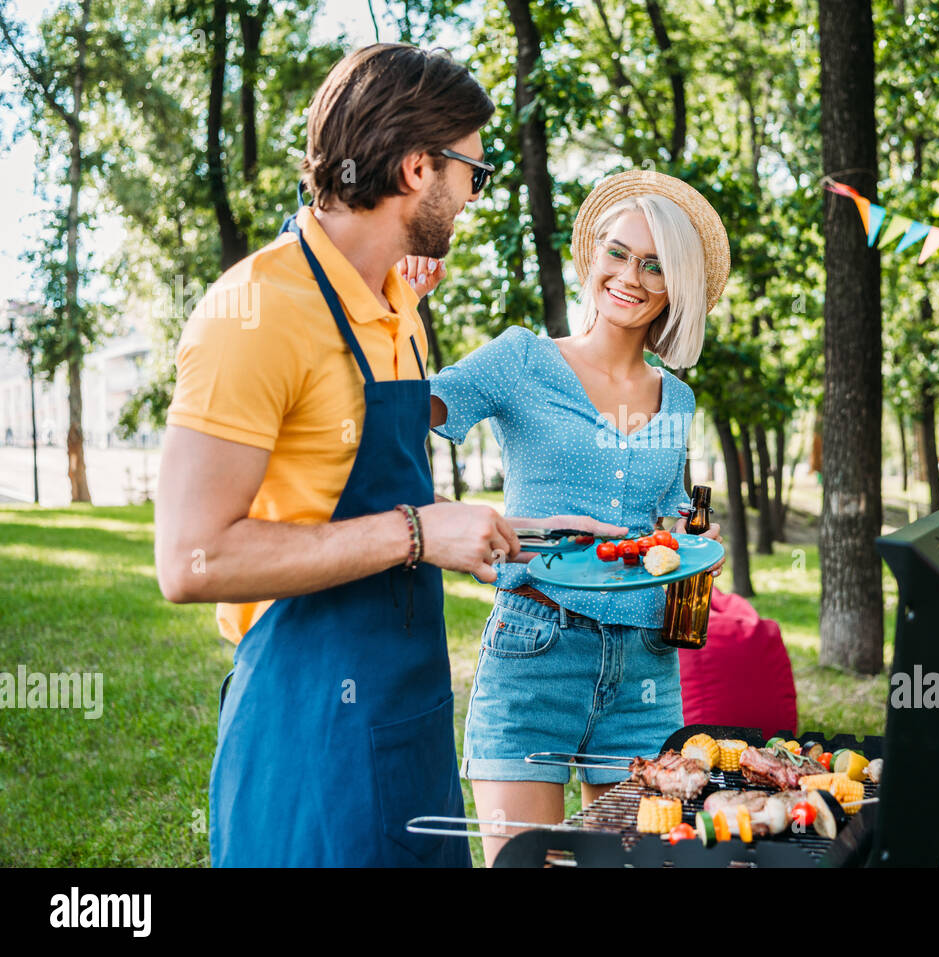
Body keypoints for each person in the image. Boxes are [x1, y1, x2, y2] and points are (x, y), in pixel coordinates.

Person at [153, 44, 622, 867]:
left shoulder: (397, 304)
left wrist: (511, 529)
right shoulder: (251, 312)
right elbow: (191, 558)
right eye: (474, 172)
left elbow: (375, 501)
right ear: (416, 168)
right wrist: (417, 533)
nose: (476, 194)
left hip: (407, 721)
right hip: (308, 734)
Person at [427, 170, 729, 866]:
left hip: (646, 668)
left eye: (655, 265)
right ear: (591, 254)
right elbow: (401, 415)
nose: (631, 275)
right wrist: (399, 301)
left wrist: (687, 533)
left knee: (640, 861)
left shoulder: (676, 398)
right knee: (526, 864)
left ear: (674, 286)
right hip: (536, 647)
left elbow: (662, 509)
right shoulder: (521, 361)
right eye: (618, 252)